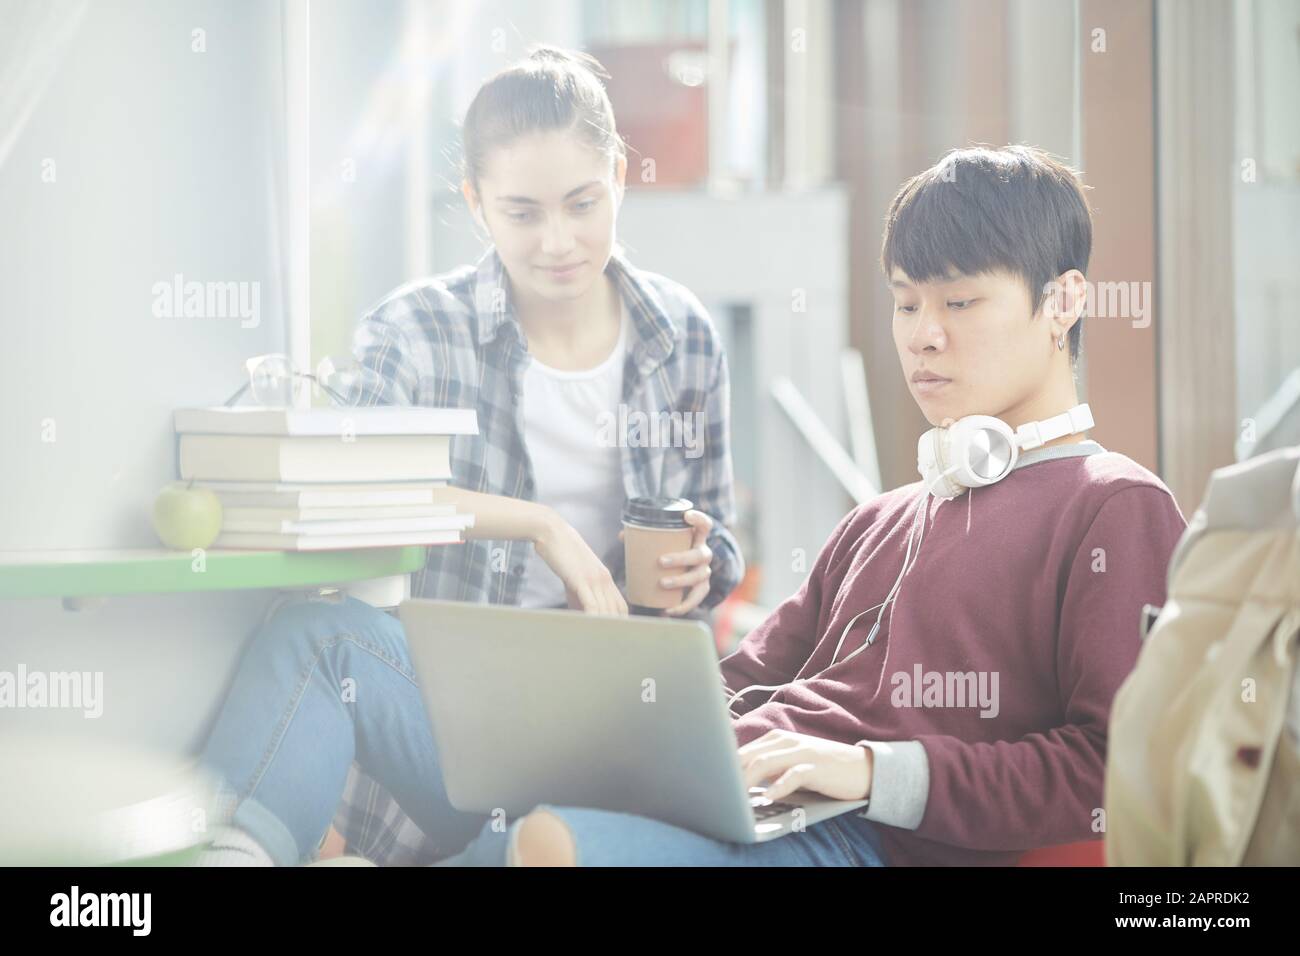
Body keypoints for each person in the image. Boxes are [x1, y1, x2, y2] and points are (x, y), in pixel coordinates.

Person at [204, 144, 1188, 867]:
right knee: (323, 639)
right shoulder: (883, 516)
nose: (920, 336)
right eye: (903, 302)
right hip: (721, 786)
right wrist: (619, 687)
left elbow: (1106, 771)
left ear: (1062, 302)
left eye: (958, 302)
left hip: (853, 834)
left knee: (545, 845)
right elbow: (738, 682)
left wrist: (870, 768)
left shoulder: (1112, 507)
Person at [197, 46, 743, 866]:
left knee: (541, 844)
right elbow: (355, 492)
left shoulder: (683, 335)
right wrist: (536, 525)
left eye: (582, 204)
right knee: (313, 637)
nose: (558, 241)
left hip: (616, 734)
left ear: (620, 177)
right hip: (456, 728)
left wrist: (705, 564)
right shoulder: (416, 329)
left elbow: (723, 540)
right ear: (476, 204)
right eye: (522, 212)